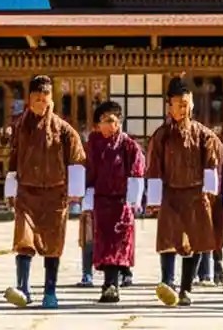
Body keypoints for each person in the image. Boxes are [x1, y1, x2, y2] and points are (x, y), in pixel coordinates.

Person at [3, 75, 87, 309]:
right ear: (29, 100)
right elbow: (12, 159)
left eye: (45, 98)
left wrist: (75, 192)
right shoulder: (19, 127)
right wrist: (11, 189)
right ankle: (23, 288)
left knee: (53, 245)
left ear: (51, 100)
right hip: (27, 193)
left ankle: (50, 291)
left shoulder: (64, 130)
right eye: (37, 99)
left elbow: (77, 161)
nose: (41, 103)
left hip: (55, 194)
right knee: (24, 241)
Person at [145, 77, 223, 307]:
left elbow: (214, 161)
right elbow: (154, 167)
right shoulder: (162, 135)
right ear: (169, 106)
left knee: (196, 240)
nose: (184, 109)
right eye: (179, 104)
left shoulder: (203, 134)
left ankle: (185, 289)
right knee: (168, 238)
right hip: (171, 193)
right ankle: (168, 282)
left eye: (187, 104)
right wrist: (154, 199)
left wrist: (210, 192)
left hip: (196, 194)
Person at [84, 100, 147, 304]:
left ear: (119, 122)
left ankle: (112, 285)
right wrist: (86, 194)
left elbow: (137, 171)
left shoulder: (129, 145)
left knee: (118, 245)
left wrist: (133, 200)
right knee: (103, 244)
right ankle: (109, 283)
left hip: (121, 203)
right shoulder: (94, 143)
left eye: (111, 120)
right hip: (101, 202)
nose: (107, 125)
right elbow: (89, 169)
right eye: (103, 121)